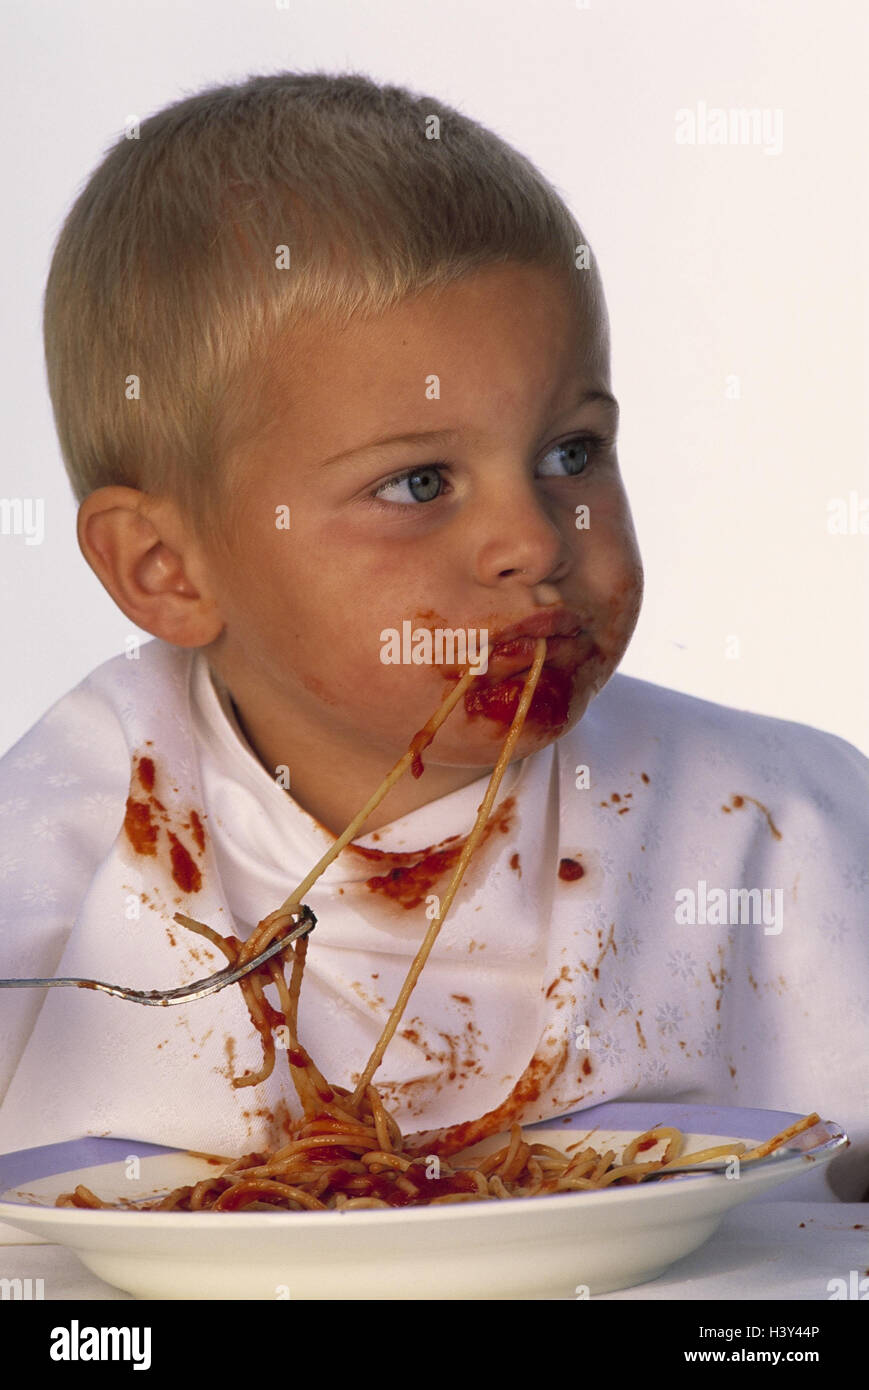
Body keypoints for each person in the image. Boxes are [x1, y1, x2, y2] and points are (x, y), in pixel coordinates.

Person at [1, 72, 866, 1203]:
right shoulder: (68, 841)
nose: (533, 541)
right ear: (167, 570)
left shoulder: (774, 824)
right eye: (418, 481)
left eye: (570, 452)